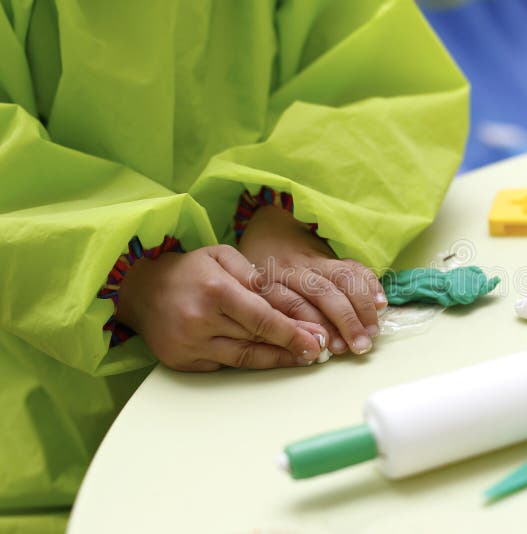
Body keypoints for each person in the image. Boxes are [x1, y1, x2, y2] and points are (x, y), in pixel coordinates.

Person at [0, 1, 468, 531]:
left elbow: (382, 77)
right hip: (45, 459)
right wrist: (134, 279)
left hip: (273, 421)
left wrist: (286, 211)